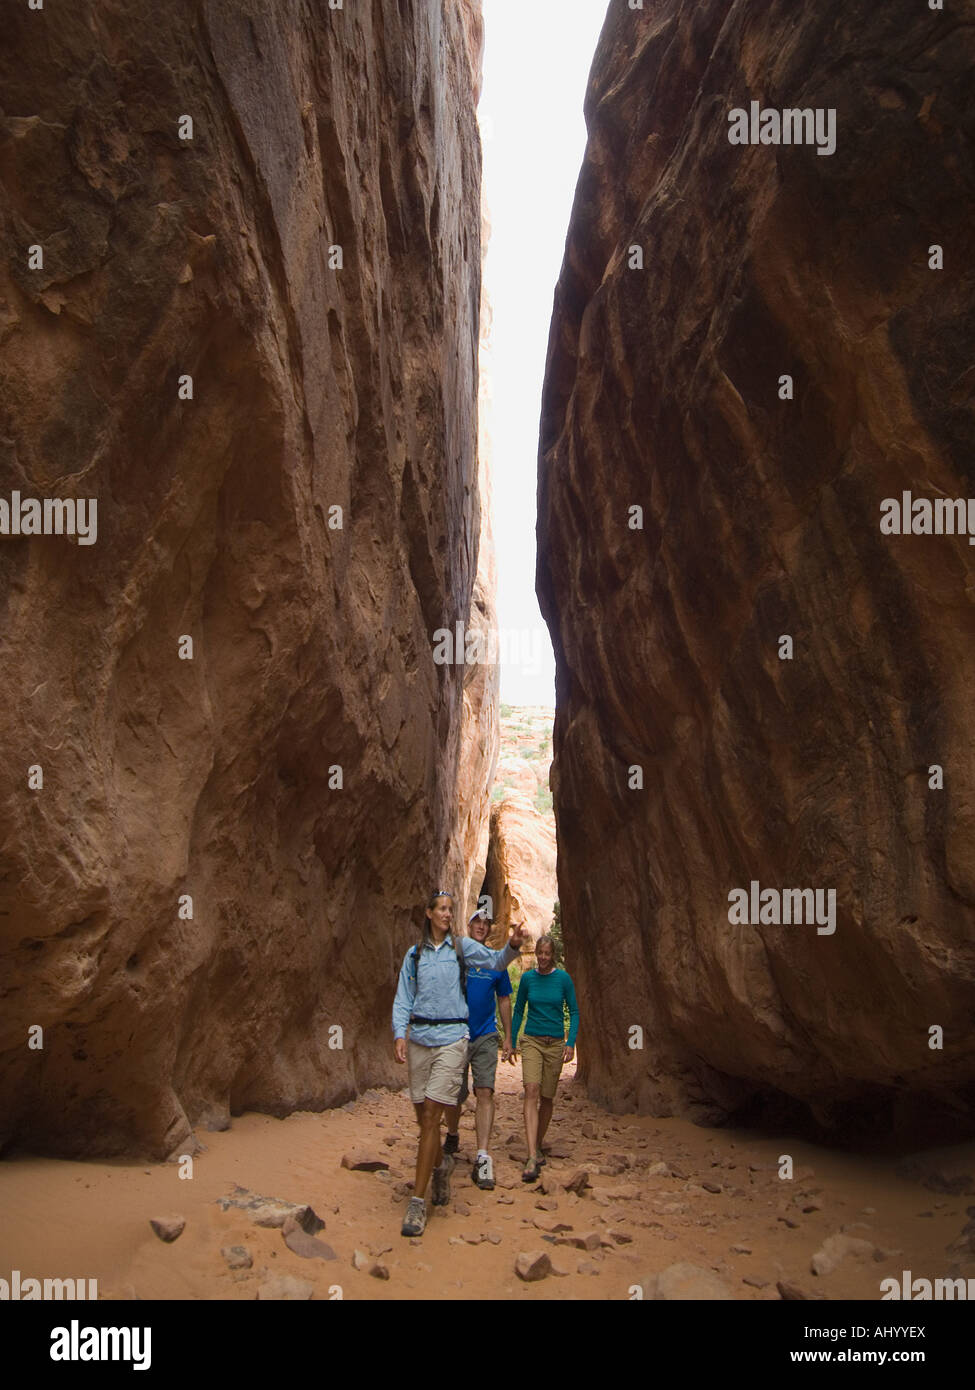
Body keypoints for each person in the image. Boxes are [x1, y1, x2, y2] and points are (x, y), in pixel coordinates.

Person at [392, 889, 526, 1237]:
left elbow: (496, 962)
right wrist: (399, 1034)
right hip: (421, 1039)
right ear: (429, 913)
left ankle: (417, 1204)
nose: (448, 914)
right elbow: (403, 998)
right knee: (424, 1118)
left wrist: (512, 946)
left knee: (433, 1115)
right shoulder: (415, 954)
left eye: (452, 909)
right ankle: (438, 1168)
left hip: (454, 1038)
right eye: (442, 909)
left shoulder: (462, 948)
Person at [442, 906, 514, 1190]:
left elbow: (504, 1000)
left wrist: (508, 1036)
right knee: (454, 1094)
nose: (481, 927)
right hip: (457, 1033)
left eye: (486, 923)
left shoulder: (496, 963)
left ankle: (483, 1156)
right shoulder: (458, 955)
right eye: (477, 922)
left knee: (485, 1091)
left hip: (485, 1034)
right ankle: (453, 1132)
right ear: (469, 926)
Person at [510, 932, 579, 1183]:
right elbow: (519, 1010)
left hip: (555, 1044)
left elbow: (574, 1011)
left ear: (553, 956)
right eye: (539, 953)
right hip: (532, 1041)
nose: (542, 958)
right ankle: (531, 1155)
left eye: (547, 954)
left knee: (547, 1097)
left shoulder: (563, 979)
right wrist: (511, 1038)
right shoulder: (528, 979)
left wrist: (570, 1043)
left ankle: (536, 1144)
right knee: (531, 1089)